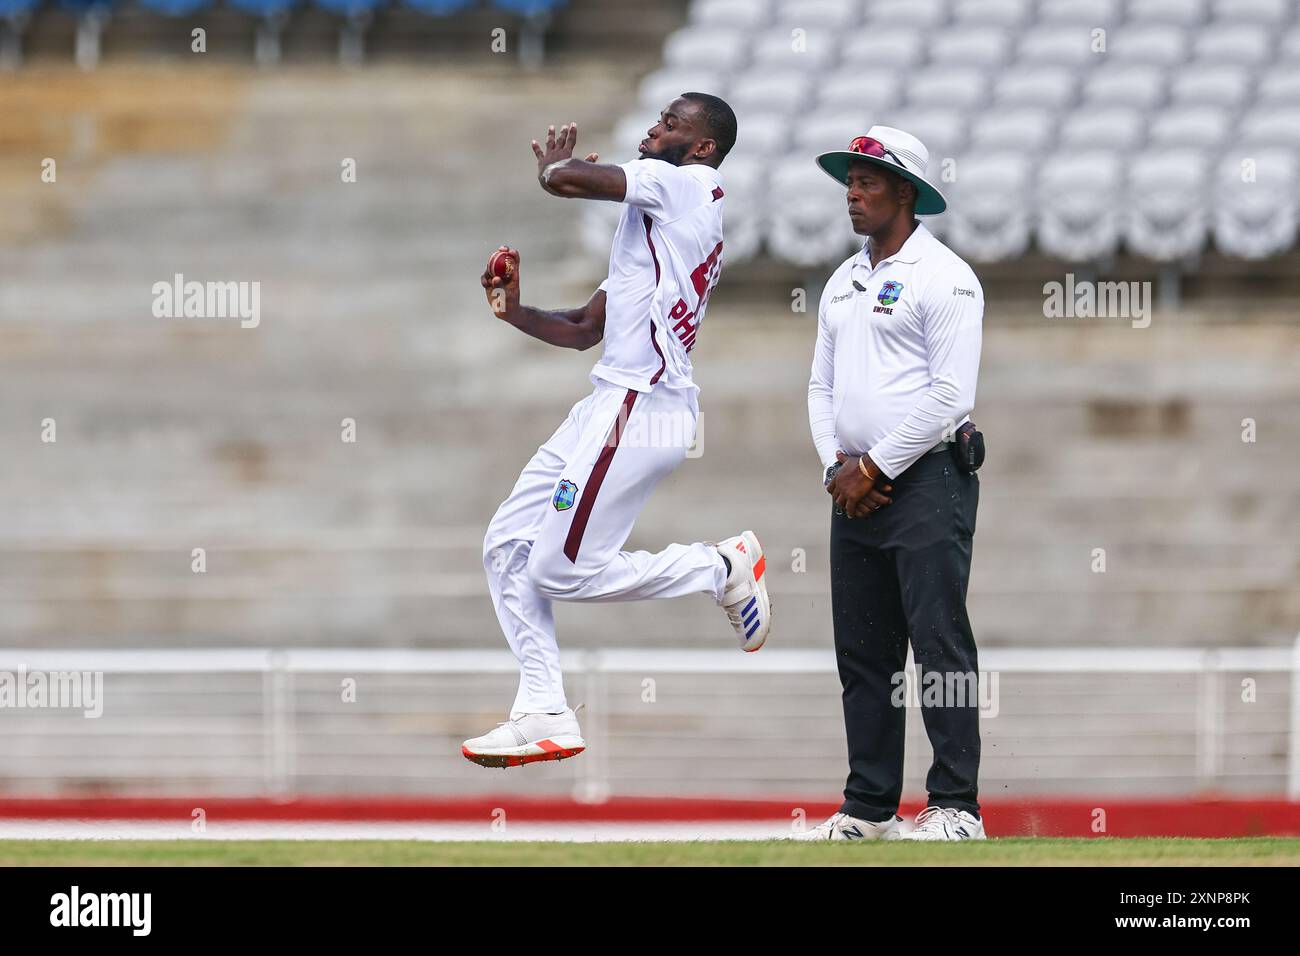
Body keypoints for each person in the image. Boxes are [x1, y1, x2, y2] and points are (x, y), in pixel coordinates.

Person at [462, 94, 771, 768]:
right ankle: (543, 708)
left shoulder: (688, 184)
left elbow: (566, 180)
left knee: (556, 570)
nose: (654, 128)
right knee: (506, 547)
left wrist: (555, 168)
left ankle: (718, 566)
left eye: (671, 124)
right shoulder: (654, 215)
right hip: (610, 400)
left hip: (644, 406)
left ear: (701, 148)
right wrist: (511, 309)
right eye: (657, 117)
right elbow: (583, 330)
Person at [799, 127, 987, 840]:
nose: (852, 192)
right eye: (849, 180)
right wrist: (836, 469)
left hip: (926, 479)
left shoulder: (947, 277)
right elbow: (821, 386)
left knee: (938, 642)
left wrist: (871, 469)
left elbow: (949, 396)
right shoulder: (844, 281)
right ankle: (869, 806)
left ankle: (956, 806)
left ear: (904, 193)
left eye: (867, 181)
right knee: (864, 650)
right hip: (852, 488)